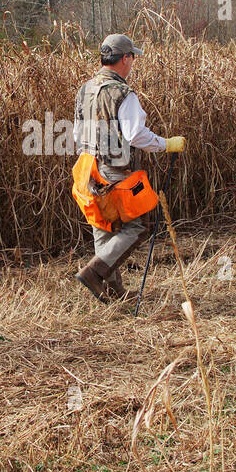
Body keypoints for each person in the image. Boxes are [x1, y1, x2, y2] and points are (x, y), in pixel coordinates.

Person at [71, 33, 185, 302]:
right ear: (125, 58)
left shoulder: (85, 89)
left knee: (103, 226)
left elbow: (77, 132)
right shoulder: (123, 93)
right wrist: (165, 144)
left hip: (87, 168)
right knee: (135, 228)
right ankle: (94, 272)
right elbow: (135, 135)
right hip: (114, 169)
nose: (133, 62)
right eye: (132, 56)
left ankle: (112, 290)